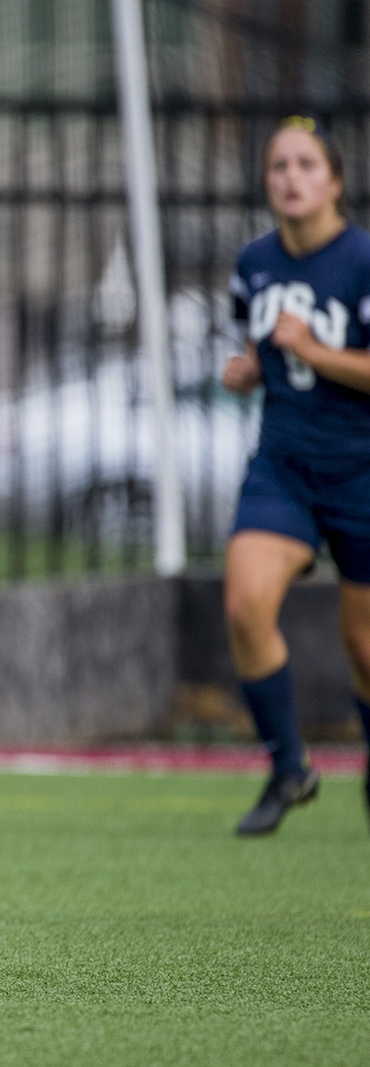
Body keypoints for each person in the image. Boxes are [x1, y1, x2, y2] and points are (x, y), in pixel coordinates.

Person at [223, 115, 370, 835]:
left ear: (335, 181)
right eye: (279, 165)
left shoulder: (363, 262)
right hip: (282, 465)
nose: (290, 177)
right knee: (247, 602)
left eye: (307, 164)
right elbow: (259, 348)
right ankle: (289, 766)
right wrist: (251, 371)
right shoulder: (253, 263)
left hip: (361, 471)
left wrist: (315, 348)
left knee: (365, 646)